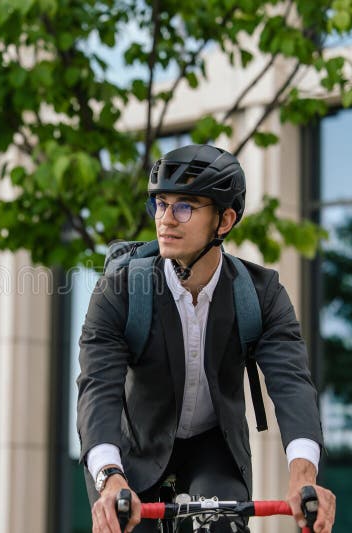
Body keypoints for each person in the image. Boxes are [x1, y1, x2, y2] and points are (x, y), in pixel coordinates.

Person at [76, 144, 336, 533]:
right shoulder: (120, 292)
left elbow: (292, 383)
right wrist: (109, 477)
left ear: (224, 220)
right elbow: (97, 390)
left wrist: (303, 475)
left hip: (213, 449)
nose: (165, 219)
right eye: (160, 204)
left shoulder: (261, 294)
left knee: (223, 527)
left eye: (184, 207)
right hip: (132, 451)